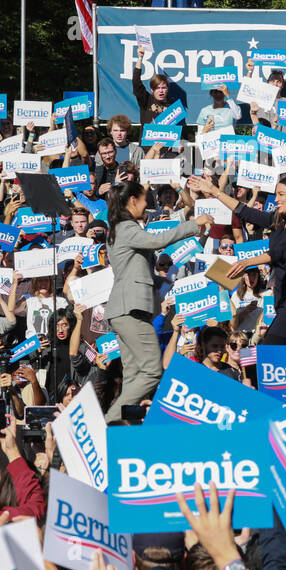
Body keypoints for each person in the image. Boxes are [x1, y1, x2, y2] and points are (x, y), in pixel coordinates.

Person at [102, 180, 211, 421]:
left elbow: (136, 270)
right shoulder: (126, 227)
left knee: (134, 375)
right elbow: (155, 241)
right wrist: (193, 224)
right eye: (144, 199)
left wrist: (166, 283)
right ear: (132, 201)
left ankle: (124, 429)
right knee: (152, 370)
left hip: (124, 310)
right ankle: (108, 424)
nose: (147, 204)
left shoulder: (120, 228)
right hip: (130, 310)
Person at [190, 173, 286, 346]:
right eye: (276, 194)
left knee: (269, 348)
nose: (276, 199)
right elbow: (245, 212)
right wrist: (214, 190)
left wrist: (246, 262)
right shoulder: (279, 220)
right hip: (283, 297)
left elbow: (283, 250)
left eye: (281, 194)